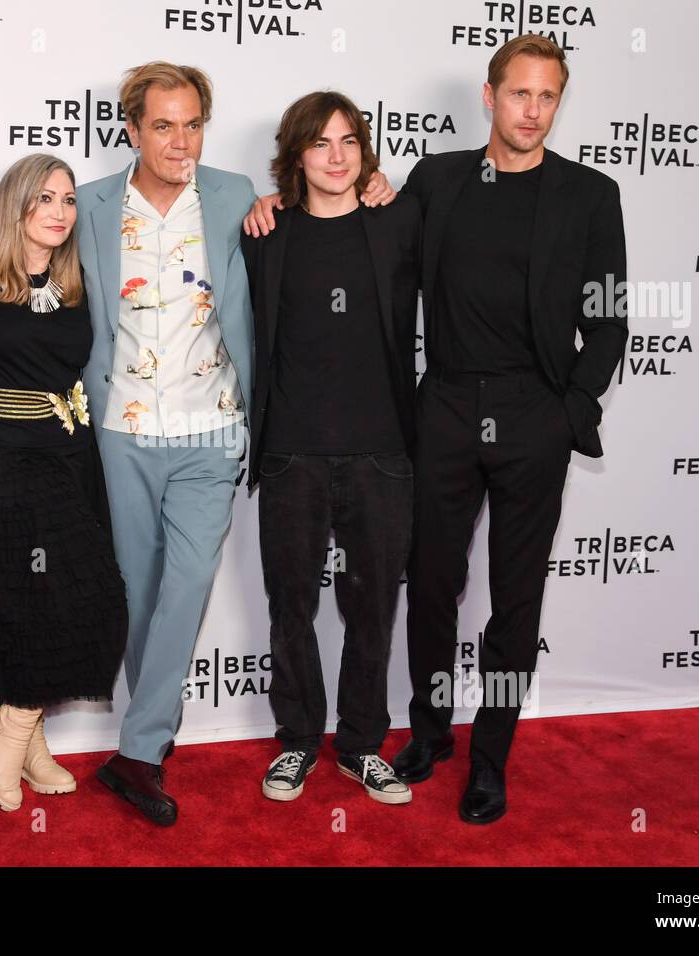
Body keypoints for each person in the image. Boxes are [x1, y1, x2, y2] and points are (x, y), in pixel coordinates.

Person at [0, 63, 395, 827]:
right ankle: (125, 739)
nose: (180, 140)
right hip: (119, 432)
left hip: (213, 430)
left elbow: (331, 187)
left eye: (193, 123)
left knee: (187, 588)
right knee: (133, 597)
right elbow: (28, 261)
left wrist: (380, 180)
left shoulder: (236, 199)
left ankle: (139, 752)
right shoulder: (87, 206)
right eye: (163, 125)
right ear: (132, 130)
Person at [247, 35, 627, 824]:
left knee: (516, 601)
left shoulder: (590, 195)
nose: (532, 110)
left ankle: (491, 756)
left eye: (546, 96)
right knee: (428, 590)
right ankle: (426, 733)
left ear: (559, 102)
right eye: (518, 93)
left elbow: (609, 319)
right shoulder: (438, 179)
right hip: (444, 409)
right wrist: (278, 199)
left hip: (536, 416)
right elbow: (355, 236)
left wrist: (570, 413)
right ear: (489, 97)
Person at [241, 92, 421, 805]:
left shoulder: (397, 220)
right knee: (291, 604)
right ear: (296, 156)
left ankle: (362, 744)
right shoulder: (265, 231)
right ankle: (296, 741)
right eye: (321, 144)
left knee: (373, 604)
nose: (338, 157)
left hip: (382, 451)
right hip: (292, 452)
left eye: (350, 142)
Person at [0, 154, 126, 812]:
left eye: (67, 199)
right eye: (43, 199)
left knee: (85, 597)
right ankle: (15, 734)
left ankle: (13, 727)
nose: (58, 211)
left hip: (68, 452)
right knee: (17, 601)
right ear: (15, 206)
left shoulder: (74, 277)